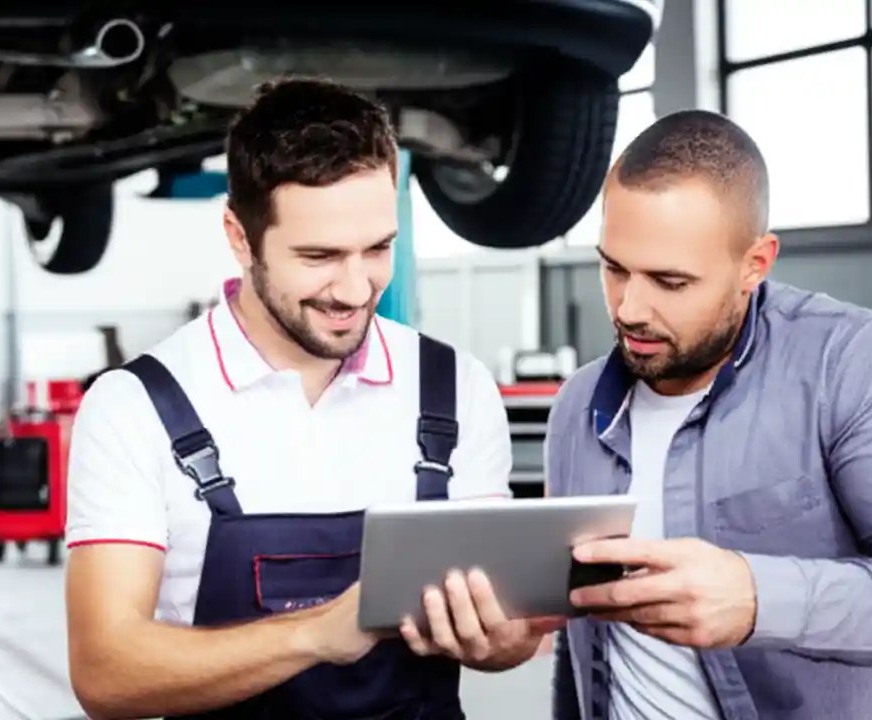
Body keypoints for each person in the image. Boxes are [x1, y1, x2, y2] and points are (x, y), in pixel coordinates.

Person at [62, 77, 557, 720]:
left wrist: (504, 635)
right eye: (319, 255)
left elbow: (506, 642)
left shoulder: (454, 387)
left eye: (378, 248)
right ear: (240, 237)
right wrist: (313, 634)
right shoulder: (135, 408)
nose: (355, 288)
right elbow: (105, 673)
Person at [547, 109, 872, 720]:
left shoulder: (858, 364)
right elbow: (584, 648)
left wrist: (757, 597)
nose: (629, 308)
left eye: (670, 281)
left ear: (756, 264)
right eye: (614, 268)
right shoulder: (578, 407)